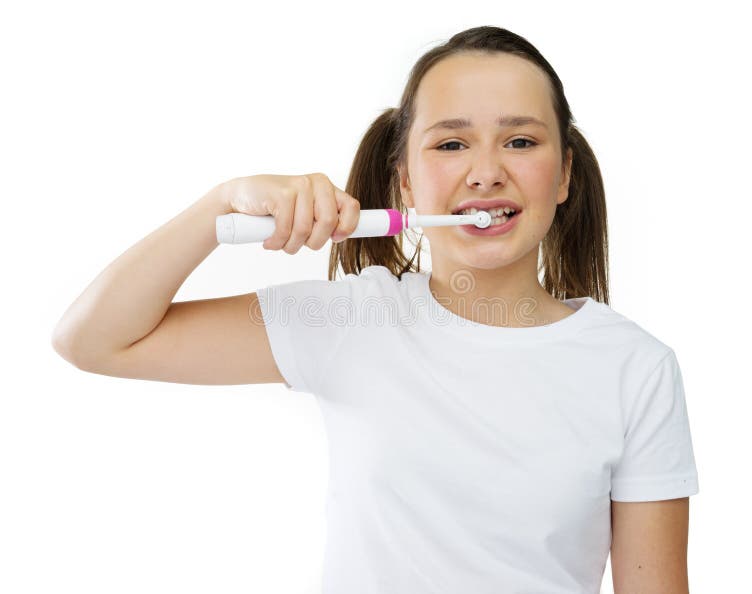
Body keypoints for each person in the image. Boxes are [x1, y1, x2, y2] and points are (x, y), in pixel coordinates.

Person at [52, 25, 699, 594]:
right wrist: (221, 203)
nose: (485, 172)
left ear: (563, 176)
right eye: (450, 144)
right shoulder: (350, 323)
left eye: (521, 142)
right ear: (405, 182)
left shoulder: (634, 369)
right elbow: (94, 340)